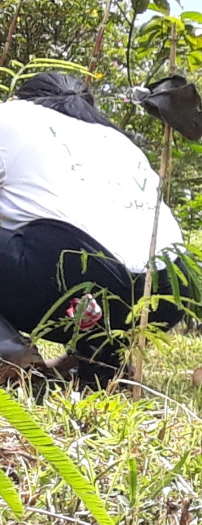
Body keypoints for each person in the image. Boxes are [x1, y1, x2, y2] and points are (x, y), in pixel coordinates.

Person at [0, 72, 188, 388]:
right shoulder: (116, 139)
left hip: (67, 276)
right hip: (167, 292)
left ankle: (8, 354)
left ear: (24, 97)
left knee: (75, 258)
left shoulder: (12, 115)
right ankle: (102, 364)